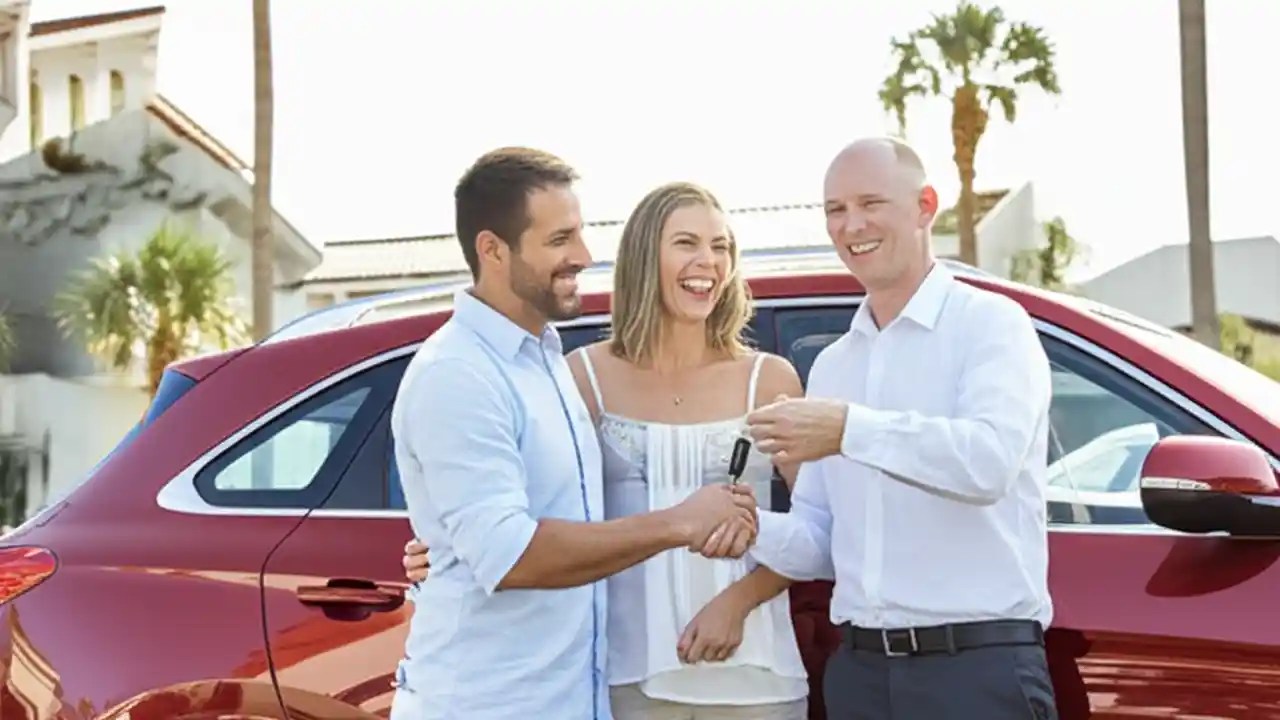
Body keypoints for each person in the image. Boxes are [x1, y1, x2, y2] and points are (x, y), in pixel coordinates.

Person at [403, 180, 811, 720]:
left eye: (722, 246)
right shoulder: (579, 378)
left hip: (757, 676)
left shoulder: (771, 378)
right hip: (624, 677)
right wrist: (443, 543)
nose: (708, 261)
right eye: (686, 243)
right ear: (645, 257)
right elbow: (516, 518)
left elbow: (824, 529)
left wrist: (738, 601)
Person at [741, 136, 1059, 719]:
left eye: (870, 203)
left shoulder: (991, 326)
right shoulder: (835, 365)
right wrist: (746, 525)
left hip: (976, 673)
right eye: (835, 210)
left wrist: (847, 429)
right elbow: (821, 539)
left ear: (925, 206)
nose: (851, 225)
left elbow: (988, 462)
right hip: (861, 676)